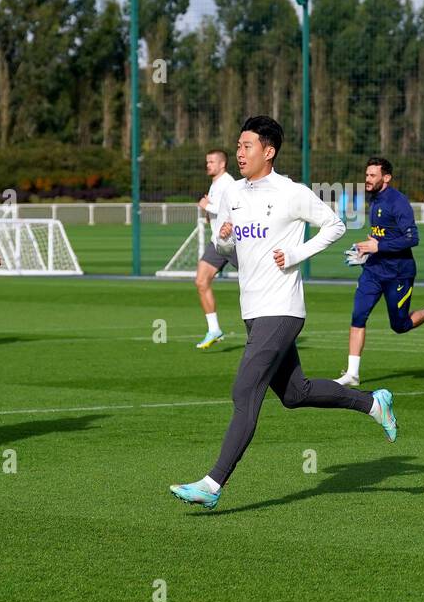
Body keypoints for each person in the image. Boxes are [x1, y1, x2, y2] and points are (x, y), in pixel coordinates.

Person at [169, 117, 397, 510]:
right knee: (295, 394)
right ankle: (373, 403)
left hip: (282, 310)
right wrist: (223, 243)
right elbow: (230, 253)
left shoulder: (291, 192)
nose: (239, 153)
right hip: (254, 311)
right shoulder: (233, 195)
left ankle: (212, 483)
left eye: (247, 146)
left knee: (244, 390)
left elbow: (335, 225)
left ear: (268, 151)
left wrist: (296, 253)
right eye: (238, 146)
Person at [334, 156, 424, 388]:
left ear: (386, 178)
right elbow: (381, 235)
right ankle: (353, 374)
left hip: (399, 274)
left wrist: (379, 246)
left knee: (400, 325)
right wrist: (367, 252)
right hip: (373, 271)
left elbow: (411, 238)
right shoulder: (374, 199)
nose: (367, 179)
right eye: (366, 175)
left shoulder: (398, 202)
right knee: (358, 315)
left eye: (372, 176)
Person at [194, 149, 237, 349]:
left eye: (211, 162)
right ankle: (214, 329)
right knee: (201, 281)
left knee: (254, 283)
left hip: (235, 242)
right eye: (207, 162)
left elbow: (232, 210)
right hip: (218, 242)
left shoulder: (228, 183)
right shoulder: (215, 185)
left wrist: (206, 207)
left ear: (222, 164)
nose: (208, 165)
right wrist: (207, 212)